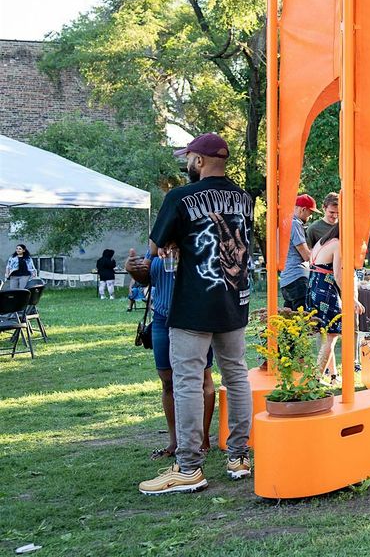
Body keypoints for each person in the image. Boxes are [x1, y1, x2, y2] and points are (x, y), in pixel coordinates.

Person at [138, 133, 254, 495]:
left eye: (188, 158)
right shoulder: (245, 199)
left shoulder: (180, 197)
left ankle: (188, 467)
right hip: (234, 299)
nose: (186, 164)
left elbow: (156, 247)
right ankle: (238, 458)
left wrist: (172, 241)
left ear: (199, 161)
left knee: (187, 379)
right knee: (236, 375)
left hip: (193, 303)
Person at [128, 244, 216, 460]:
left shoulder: (197, 238)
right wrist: (133, 270)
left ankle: (203, 439)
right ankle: (175, 441)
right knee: (167, 380)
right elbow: (147, 279)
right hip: (162, 318)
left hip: (194, 317)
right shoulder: (155, 245)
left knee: (202, 378)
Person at [306, 223, 364, 380]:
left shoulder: (322, 242)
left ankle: (333, 374)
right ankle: (317, 378)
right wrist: (352, 299)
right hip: (326, 290)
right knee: (332, 336)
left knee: (326, 334)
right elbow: (338, 276)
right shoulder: (338, 244)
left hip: (313, 288)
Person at [280, 194, 317, 310]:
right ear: (303, 209)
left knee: (290, 320)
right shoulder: (295, 224)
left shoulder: (284, 223)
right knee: (304, 319)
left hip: (285, 279)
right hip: (298, 278)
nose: (310, 217)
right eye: (310, 213)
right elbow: (306, 256)